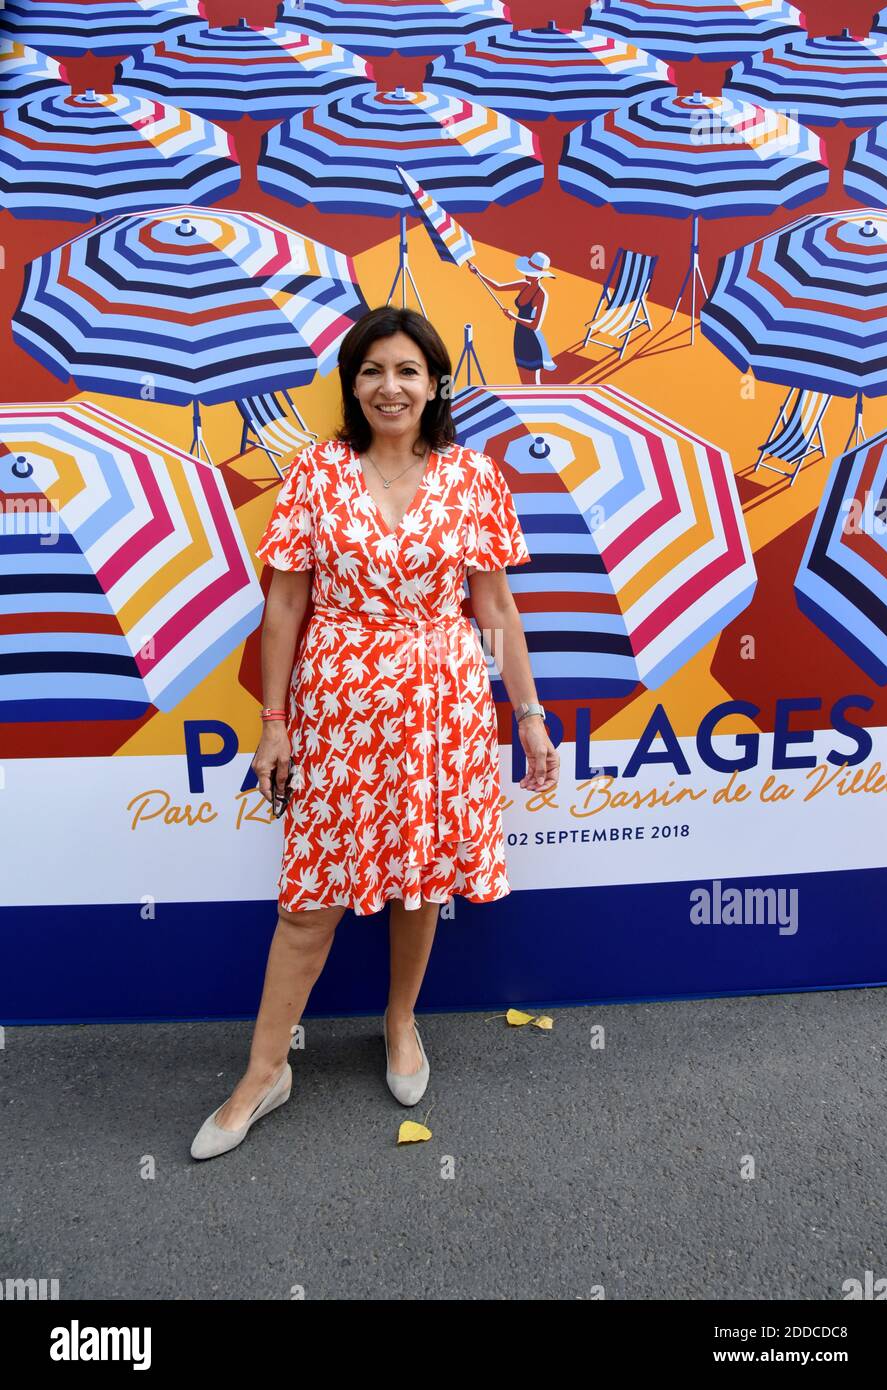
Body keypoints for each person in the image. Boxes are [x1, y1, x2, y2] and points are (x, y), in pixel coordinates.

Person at [190, 305, 559, 1160]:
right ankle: (263, 1071)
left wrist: (529, 716)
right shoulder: (316, 473)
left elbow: (494, 606)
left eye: (407, 371)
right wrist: (273, 723)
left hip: (442, 704)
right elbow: (284, 604)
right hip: (338, 707)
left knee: (421, 882)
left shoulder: (473, 477)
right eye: (372, 372)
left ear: (434, 384)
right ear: (353, 385)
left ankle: (400, 1023)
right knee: (309, 901)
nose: (390, 387)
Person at [469, 251, 557, 384]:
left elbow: (536, 325)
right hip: (520, 337)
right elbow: (498, 287)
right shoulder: (524, 285)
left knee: (533, 383)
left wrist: (513, 317)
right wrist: (478, 273)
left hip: (532, 341)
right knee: (523, 380)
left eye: (531, 272)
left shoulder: (542, 295)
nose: (526, 274)